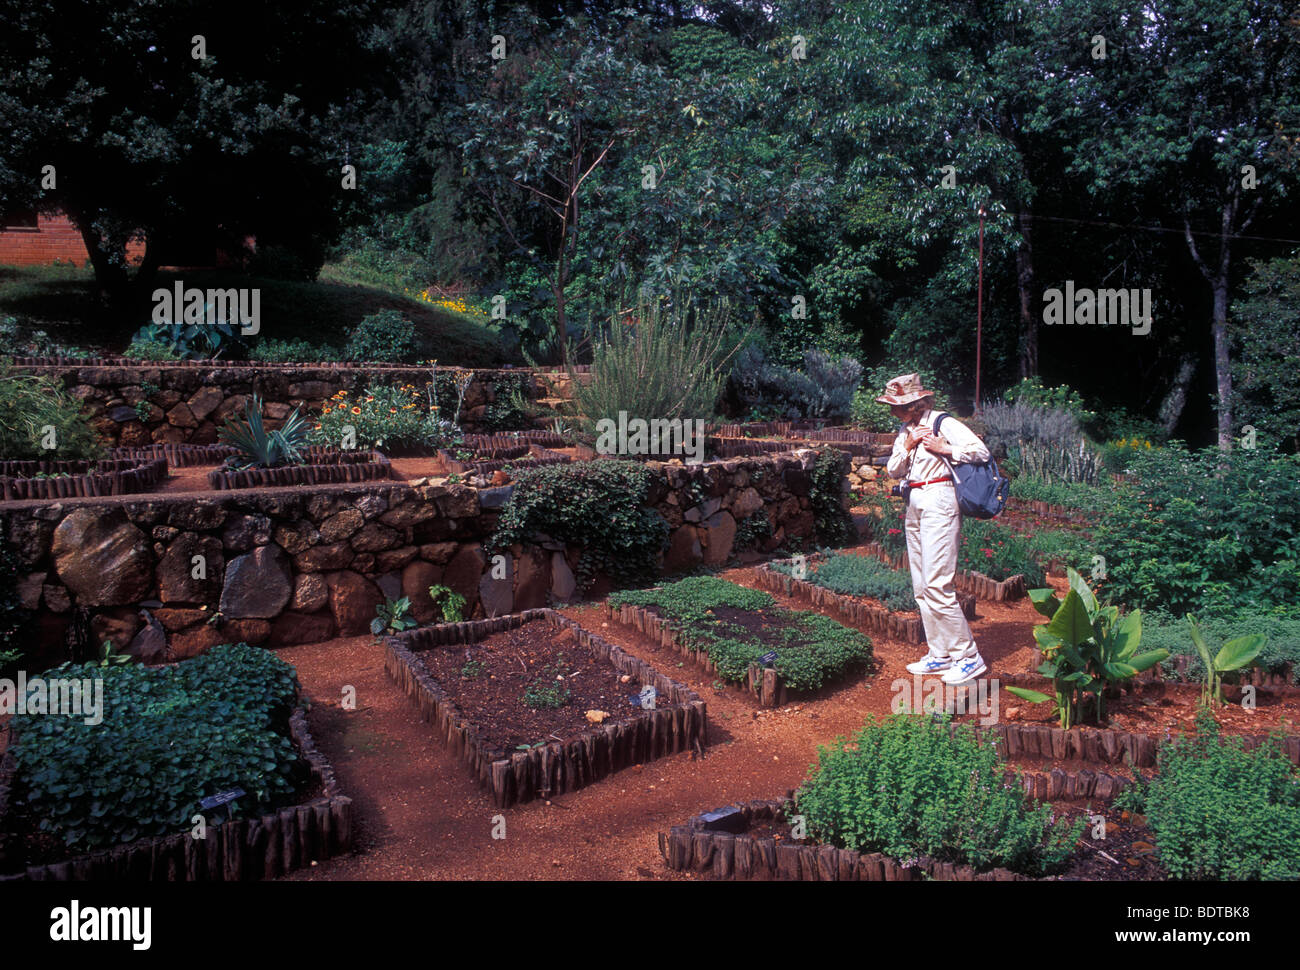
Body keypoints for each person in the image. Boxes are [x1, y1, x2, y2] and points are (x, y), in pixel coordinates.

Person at [878, 374, 991, 685]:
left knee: (939, 585)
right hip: (914, 501)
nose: (893, 411)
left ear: (916, 404)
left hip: (940, 501)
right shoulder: (905, 430)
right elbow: (892, 470)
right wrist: (909, 445)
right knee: (922, 586)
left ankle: (968, 657)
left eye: (897, 406)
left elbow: (981, 452)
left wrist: (946, 448)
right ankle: (940, 652)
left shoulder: (944, 423)